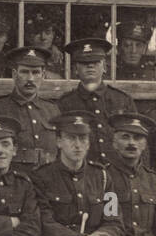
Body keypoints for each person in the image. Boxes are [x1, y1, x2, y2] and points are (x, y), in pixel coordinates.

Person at [57, 38, 135, 166]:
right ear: (75, 69)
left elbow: (137, 139)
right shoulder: (65, 103)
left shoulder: (122, 100)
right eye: (84, 63)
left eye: (96, 62)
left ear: (104, 67)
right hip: (83, 173)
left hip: (117, 171)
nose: (90, 66)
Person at [0, 46, 59, 171]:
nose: (30, 79)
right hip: (14, 177)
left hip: (49, 177)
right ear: (14, 74)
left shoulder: (52, 110)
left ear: (43, 75)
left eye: (36, 72)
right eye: (25, 72)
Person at [25, 12, 65, 79]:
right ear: (29, 36)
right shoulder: (23, 56)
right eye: (37, 32)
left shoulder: (59, 57)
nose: (43, 37)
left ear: (53, 35)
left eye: (48, 32)